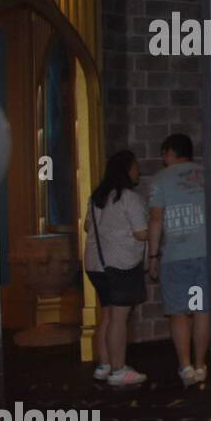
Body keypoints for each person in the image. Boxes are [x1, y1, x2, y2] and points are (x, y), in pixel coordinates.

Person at [147, 133, 209, 387]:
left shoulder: (161, 179)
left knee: (178, 313)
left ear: (170, 152)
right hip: (204, 254)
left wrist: (152, 255)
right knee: (201, 310)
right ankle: (200, 364)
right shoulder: (206, 175)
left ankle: (185, 366)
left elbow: (156, 219)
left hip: (175, 256)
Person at [83, 150, 149, 387]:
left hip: (95, 264)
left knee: (107, 315)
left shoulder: (96, 197)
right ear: (126, 169)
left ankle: (104, 365)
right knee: (119, 318)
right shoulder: (129, 198)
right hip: (119, 264)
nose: (137, 171)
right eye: (134, 166)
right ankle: (119, 370)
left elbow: (86, 227)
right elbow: (141, 232)